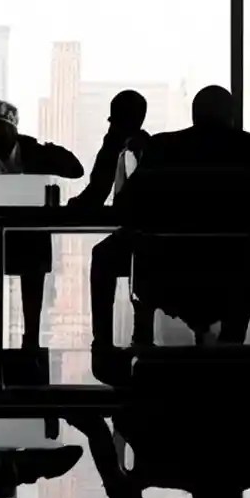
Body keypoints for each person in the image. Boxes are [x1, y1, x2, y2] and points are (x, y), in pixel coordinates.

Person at [114, 85, 250, 344]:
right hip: (235, 274)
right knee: (244, 277)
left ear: (194, 115)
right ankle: (230, 360)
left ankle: (141, 347)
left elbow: (126, 205)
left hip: (166, 274)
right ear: (231, 116)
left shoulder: (162, 146)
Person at [0, 100, 84, 350]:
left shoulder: (35, 152)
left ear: (13, 130)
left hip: (27, 236)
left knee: (34, 244)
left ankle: (31, 333)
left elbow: (76, 169)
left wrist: (47, 151)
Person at [63, 91, 152, 349]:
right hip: (160, 242)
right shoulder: (151, 147)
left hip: (138, 238)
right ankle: (141, 333)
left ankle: (102, 340)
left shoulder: (121, 147)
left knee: (103, 257)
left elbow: (97, 193)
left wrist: (74, 207)